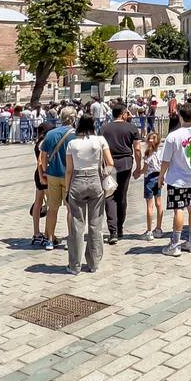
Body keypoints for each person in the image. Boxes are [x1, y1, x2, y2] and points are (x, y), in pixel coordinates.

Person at [64, 113, 113, 276]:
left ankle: (75, 265)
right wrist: (105, 175)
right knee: (95, 225)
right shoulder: (100, 140)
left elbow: (69, 170)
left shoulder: (72, 143)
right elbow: (110, 163)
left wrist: (66, 189)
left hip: (77, 180)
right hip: (95, 180)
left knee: (77, 225)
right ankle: (93, 262)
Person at [158, 102, 191, 256]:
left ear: (180, 116)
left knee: (178, 210)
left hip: (176, 179)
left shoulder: (173, 136)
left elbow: (165, 160)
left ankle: (175, 244)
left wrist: (161, 176)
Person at [100, 100, 143, 244]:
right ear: (123, 114)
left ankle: (112, 231)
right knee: (122, 196)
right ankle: (120, 228)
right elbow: (137, 149)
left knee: (109, 196)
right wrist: (138, 166)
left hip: (109, 164)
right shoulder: (131, 128)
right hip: (125, 163)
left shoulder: (104, 128)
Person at [37, 106, 76, 251]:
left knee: (52, 208)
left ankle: (49, 240)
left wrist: (45, 171)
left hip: (52, 175)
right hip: (69, 175)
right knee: (70, 209)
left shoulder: (51, 134)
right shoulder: (76, 134)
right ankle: (71, 239)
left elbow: (43, 156)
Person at [142, 131, 165, 239]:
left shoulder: (148, 153)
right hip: (158, 177)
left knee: (149, 205)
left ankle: (149, 231)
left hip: (150, 178)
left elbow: (145, 169)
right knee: (159, 203)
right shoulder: (161, 152)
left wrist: (138, 172)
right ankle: (159, 228)